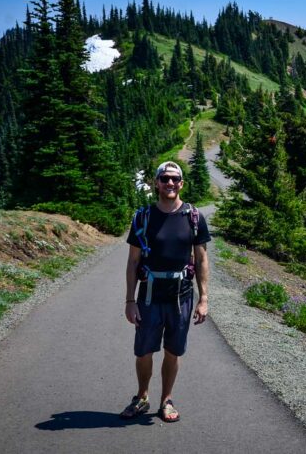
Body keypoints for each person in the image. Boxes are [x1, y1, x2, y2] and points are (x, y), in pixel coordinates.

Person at [120, 161, 211, 422]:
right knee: (144, 351)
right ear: (156, 183)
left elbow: (201, 259)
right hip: (149, 297)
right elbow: (133, 262)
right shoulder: (143, 217)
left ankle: (166, 401)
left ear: (181, 183)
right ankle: (142, 397)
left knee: (173, 350)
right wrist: (129, 300)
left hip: (181, 296)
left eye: (174, 179)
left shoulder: (193, 217)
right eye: (165, 179)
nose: (169, 183)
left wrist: (203, 298)